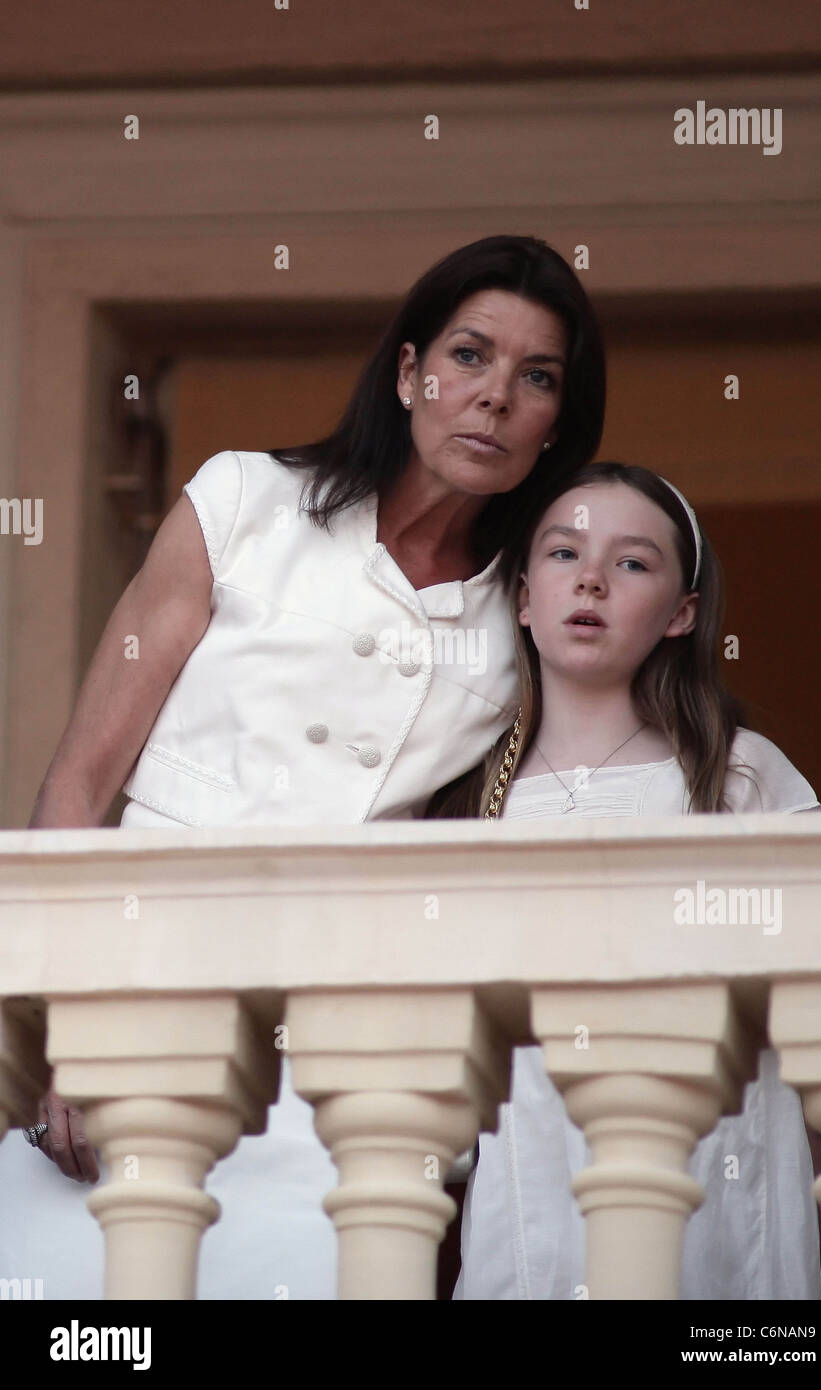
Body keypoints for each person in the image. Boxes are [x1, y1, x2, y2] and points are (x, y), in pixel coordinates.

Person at [2, 234, 606, 1299]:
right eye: (469, 355)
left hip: (340, 1063)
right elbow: (80, 780)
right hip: (141, 1005)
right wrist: (67, 1030)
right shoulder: (241, 504)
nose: (495, 396)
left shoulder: (525, 612)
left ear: (556, 421)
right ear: (410, 368)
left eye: (537, 377)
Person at [426, 460, 821, 1301]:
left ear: (681, 613)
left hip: (716, 1156)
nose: (594, 580)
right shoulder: (465, 793)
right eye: (565, 554)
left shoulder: (740, 775)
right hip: (532, 1164)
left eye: (633, 563)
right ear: (526, 597)